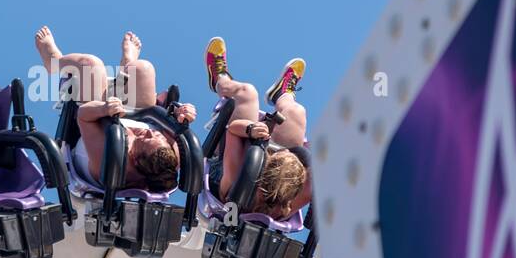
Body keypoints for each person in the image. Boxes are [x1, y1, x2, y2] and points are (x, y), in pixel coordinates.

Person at [34, 26, 196, 192]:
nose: (149, 133)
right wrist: (180, 113)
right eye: (156, 136)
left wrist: (103, 109)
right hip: (131, 117)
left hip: (94, 125)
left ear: (135, 158)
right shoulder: (167, 156)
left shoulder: (110, 157)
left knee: (90, 64)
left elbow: (83, 116)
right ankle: (128, 67)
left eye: (146, 140)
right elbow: (169, 126)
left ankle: (53, 61)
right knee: (143, 68)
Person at [203, 37, 311, 220]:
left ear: (269, 164)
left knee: (246, 93)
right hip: (270, 193)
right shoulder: (291, 199)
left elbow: (232, 130)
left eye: (280, 154)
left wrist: (250, 129)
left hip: (229, 175)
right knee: (297, 112)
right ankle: (282, 94)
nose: (281, 150)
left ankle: (220, 79)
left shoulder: (238, 175)